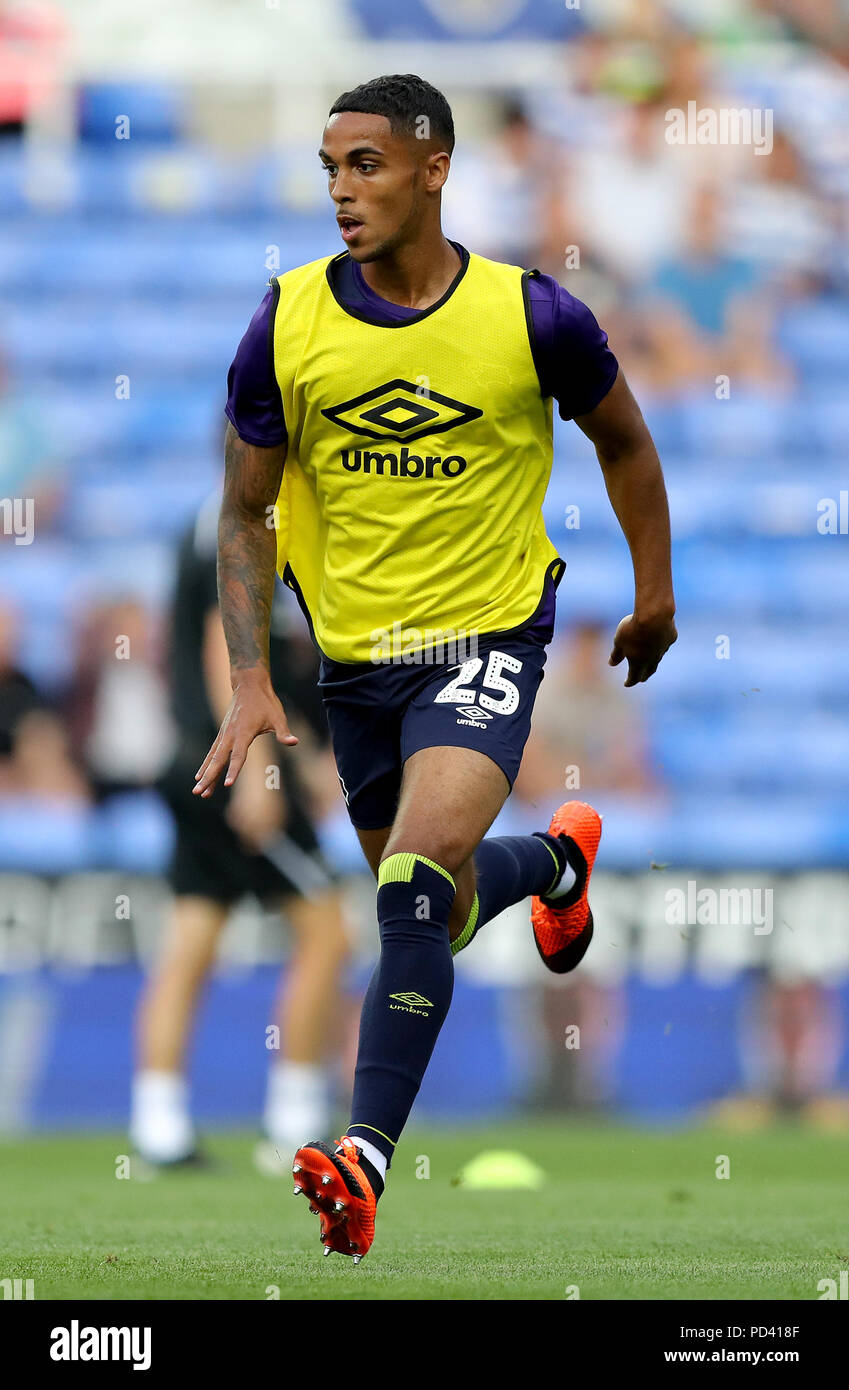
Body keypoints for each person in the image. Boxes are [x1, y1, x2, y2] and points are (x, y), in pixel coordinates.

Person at [193, 74, 677, 1262]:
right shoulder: (288, 321)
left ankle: (361, 1159)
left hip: (487, 638)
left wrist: (655, 590)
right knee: (439, 913)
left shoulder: (533, 316)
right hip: (356, 666)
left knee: (409, 883)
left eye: (364, 166)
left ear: (434, 169)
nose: (342, 192)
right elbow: (247, 510)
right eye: (328, 170)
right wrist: (251, 673)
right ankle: (559, 862)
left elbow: (623, 439)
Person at [130, 494, 350, 1168]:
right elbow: (223, 643)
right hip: (236, 766)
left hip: (206, 760)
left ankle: (158, 1126)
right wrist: (256, 770)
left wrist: (307, 756)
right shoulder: (238, 520)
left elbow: (273, 664)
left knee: (193, 937)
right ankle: (291, 1121)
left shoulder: (226, 518)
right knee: (325, 933)